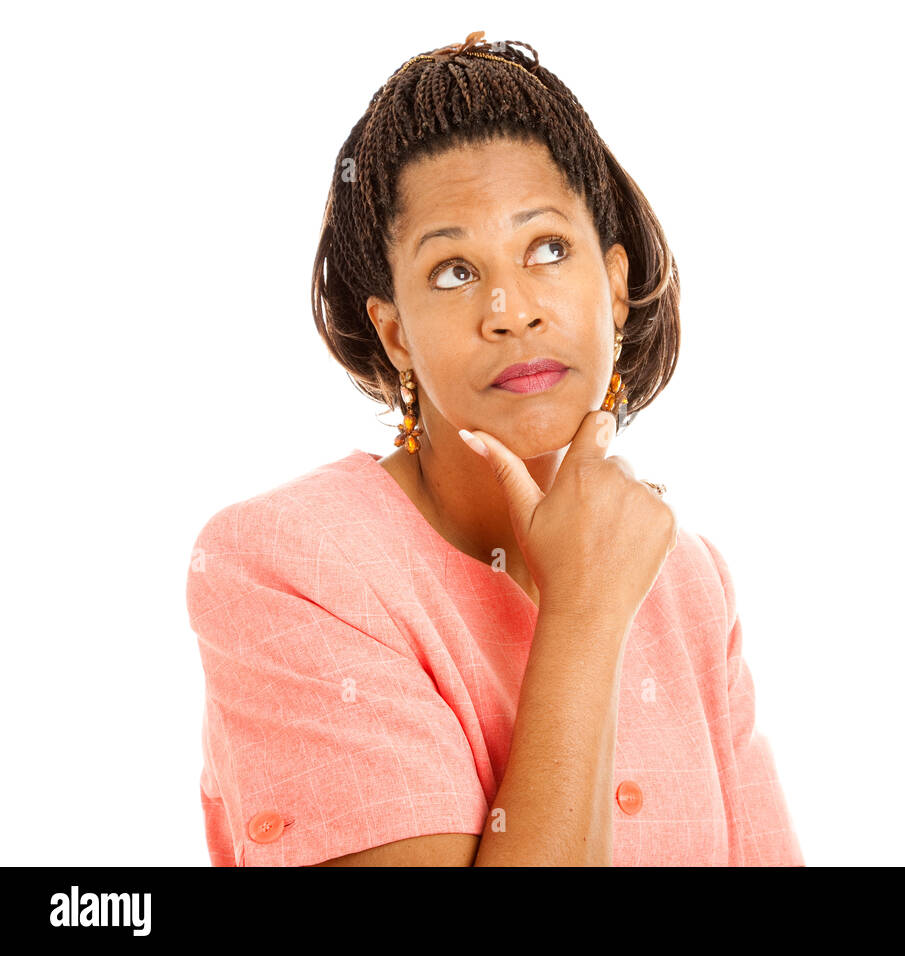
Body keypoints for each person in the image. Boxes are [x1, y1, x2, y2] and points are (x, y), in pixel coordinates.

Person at [186, 31, 803, 866]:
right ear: (396, 334)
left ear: (614, 288)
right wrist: (584, 614)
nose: (511, 308)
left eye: (547, 249)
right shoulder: (291, 566)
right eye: (453, 271)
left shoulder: (690, 585)